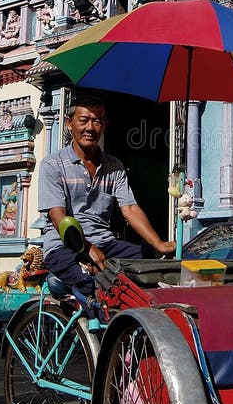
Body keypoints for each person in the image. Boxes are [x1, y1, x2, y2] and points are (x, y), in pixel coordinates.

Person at [38, 94, 175, 294]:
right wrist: (86, 249)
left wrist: (159, 244)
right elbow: (58, 216)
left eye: (97, 121)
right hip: (64, 246)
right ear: (69, 123)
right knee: (93, 285)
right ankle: (90, 324)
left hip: (107, 243)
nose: (90, 128)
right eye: (83, 120)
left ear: (105, 125)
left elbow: (129, 208)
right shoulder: (53, 164)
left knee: (150, 270)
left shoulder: (114, 166)